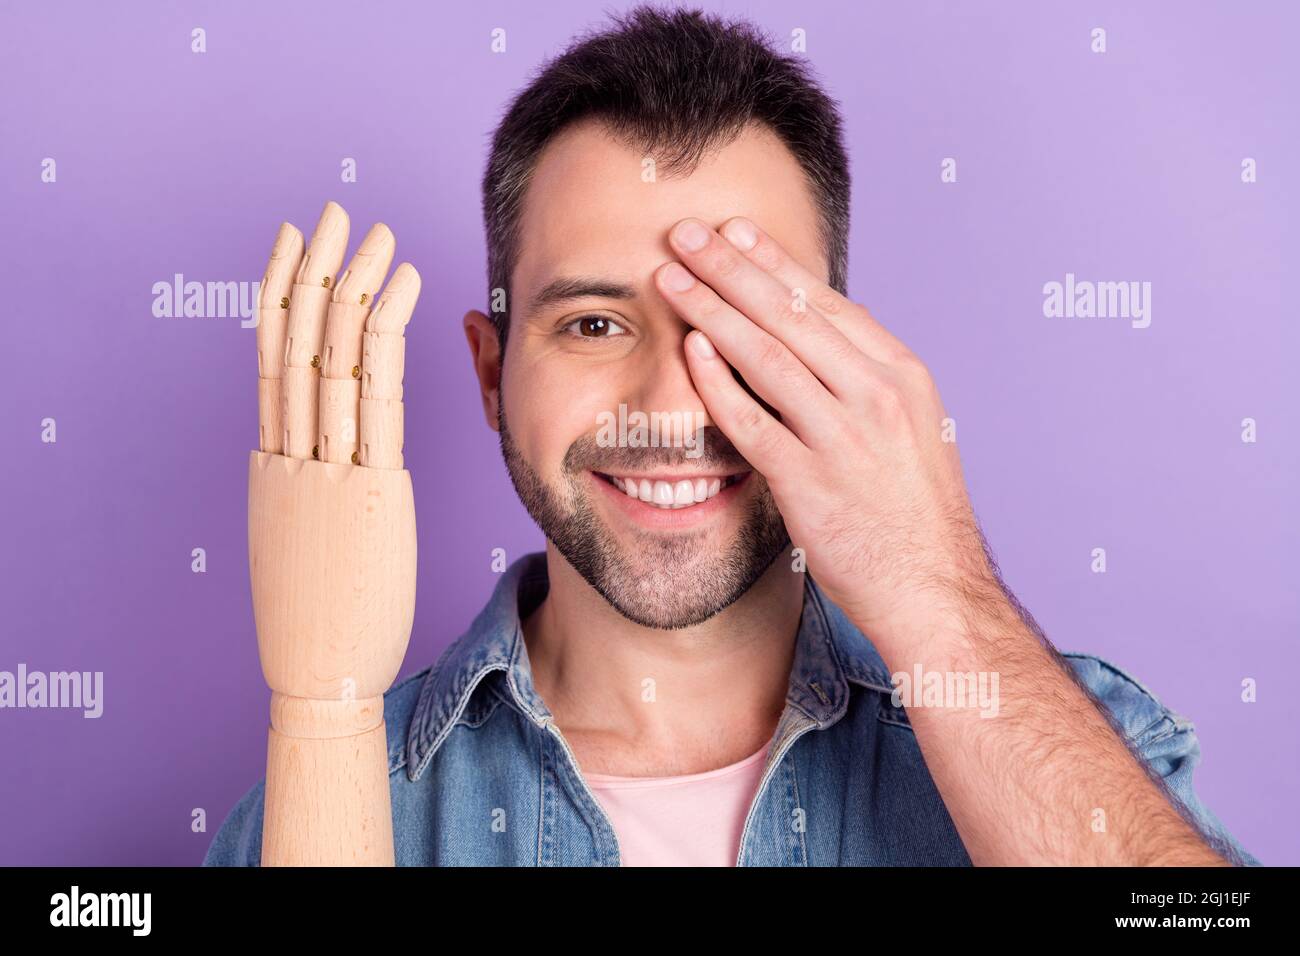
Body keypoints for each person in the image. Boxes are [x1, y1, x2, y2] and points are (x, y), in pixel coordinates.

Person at [205, 6, 1257, 867]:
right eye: (593, 323)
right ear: (490, 372)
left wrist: (934, 589)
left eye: (738, 322)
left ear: (843, 360)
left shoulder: (1084, 742)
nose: (673, 404)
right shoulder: (330, 792)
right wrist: (323, 713)